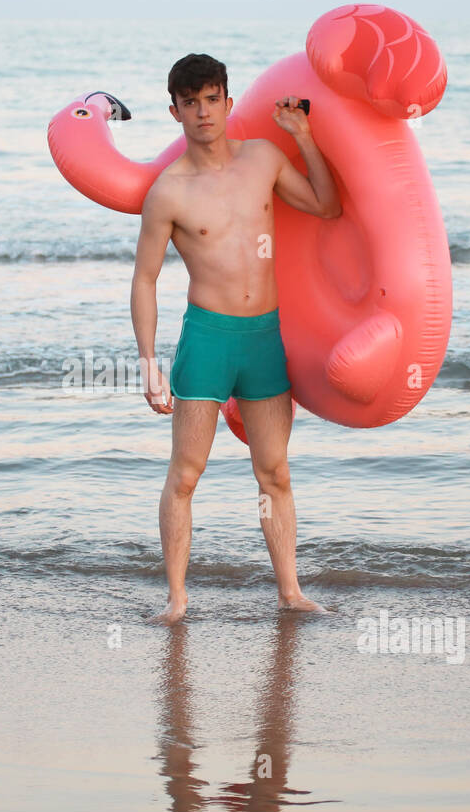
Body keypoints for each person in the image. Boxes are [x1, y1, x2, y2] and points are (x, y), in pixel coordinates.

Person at [132, 53, 342, 625]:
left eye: (212, 98)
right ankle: (176, 600)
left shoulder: (263, 159)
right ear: (173, 111)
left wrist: (305, 135)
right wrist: (148, 361)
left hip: (263, 340)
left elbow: (328, 206)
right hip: (207, 338)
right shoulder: (169, 192)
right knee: (185, 474)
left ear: (228, 101)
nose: (203, 112)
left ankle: (291, 591)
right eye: (190, 102)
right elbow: (145, 279)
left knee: (274, 471)